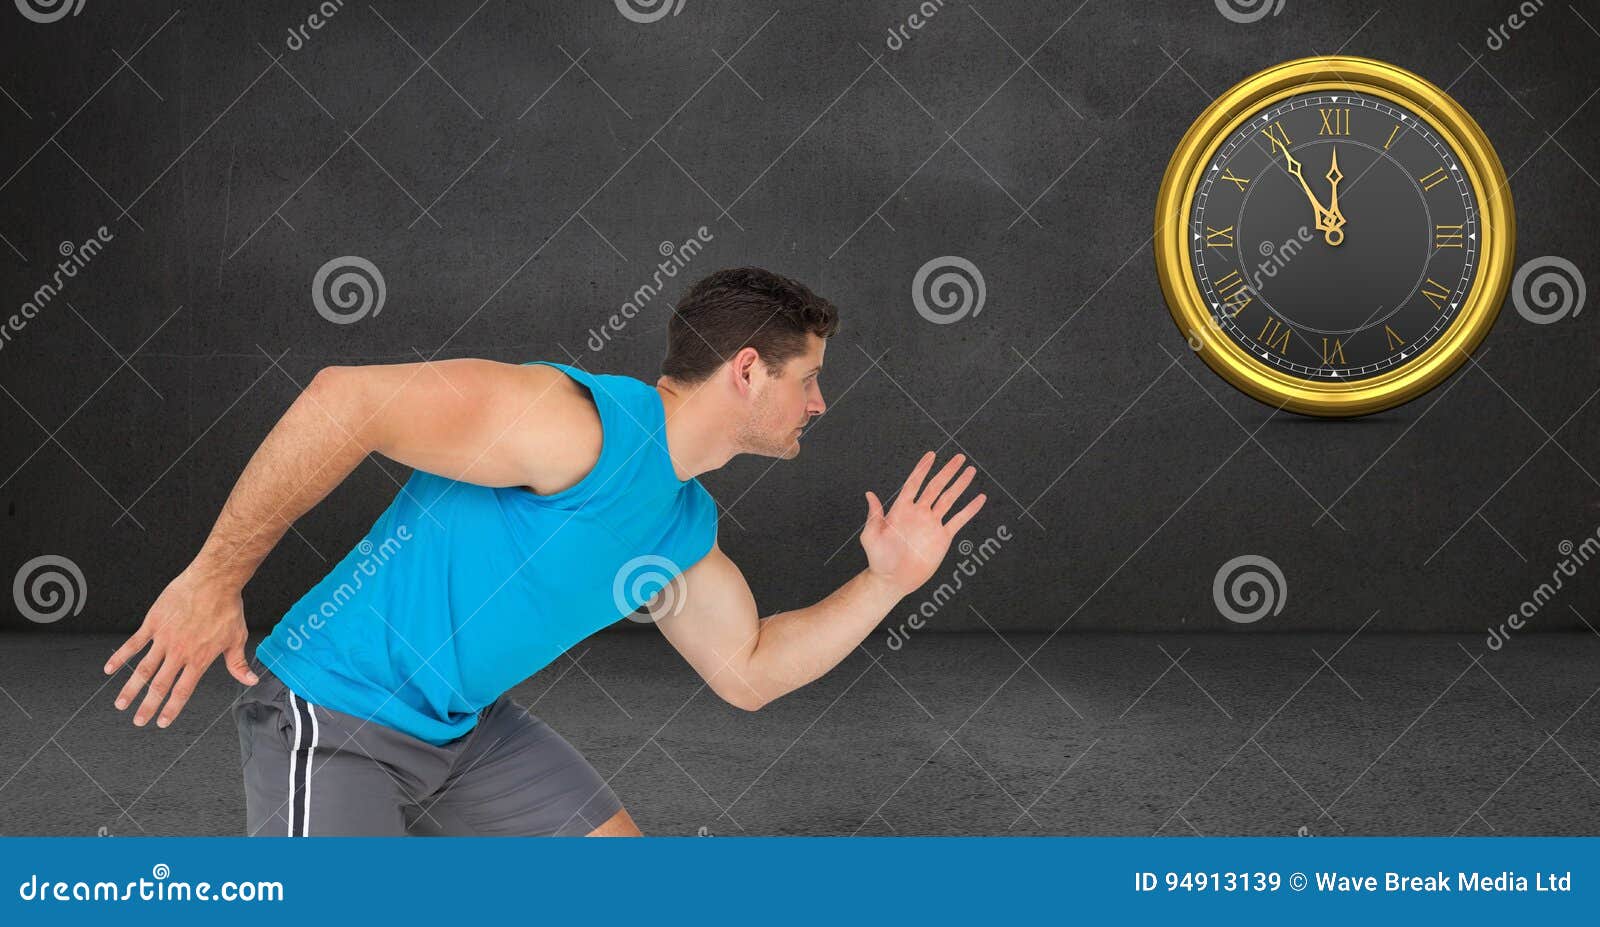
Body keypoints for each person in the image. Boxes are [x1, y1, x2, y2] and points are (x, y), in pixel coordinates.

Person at [102, 267, 987, 836]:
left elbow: (748, 669)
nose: (820, 404)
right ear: (748, 370)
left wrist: (885, 582)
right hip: (337, 715)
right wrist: (213, 578)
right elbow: (344, 402)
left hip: (464, 731)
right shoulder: (577, 426)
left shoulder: (678, 524)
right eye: (809, 379)